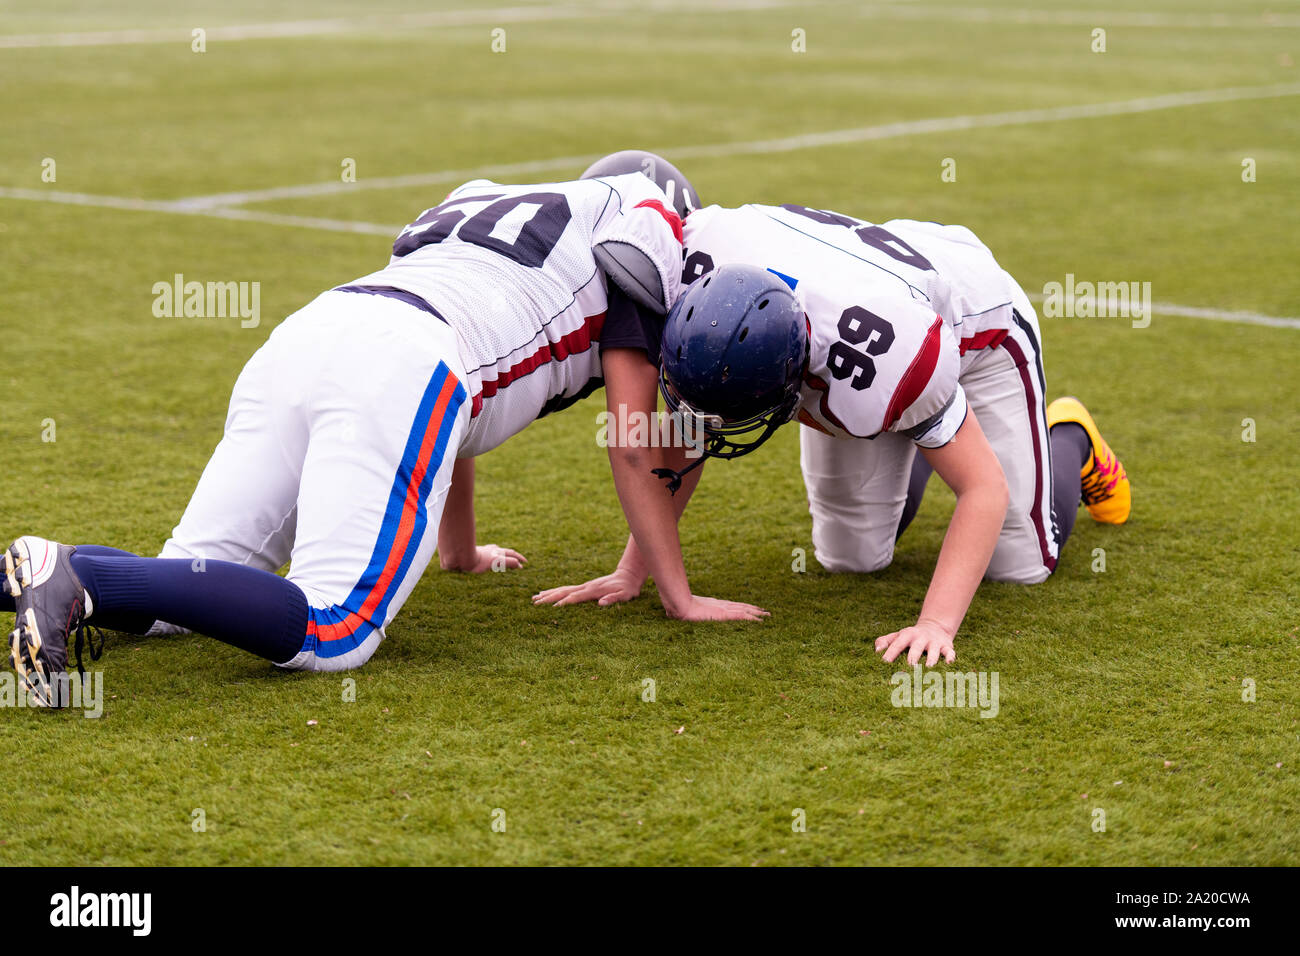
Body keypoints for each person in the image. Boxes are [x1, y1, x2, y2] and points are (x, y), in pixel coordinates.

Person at [4, 152, 765, 709]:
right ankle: (78, 577)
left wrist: (459, 552)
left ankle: (51, 570)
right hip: (409, 363)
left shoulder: (493, 195)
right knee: (336, 631)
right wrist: (677, 594)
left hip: (316, 331)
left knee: (177, 593)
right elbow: (634, 439)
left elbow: (453, 428)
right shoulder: (647, 220)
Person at [536, 201, 1130, 667]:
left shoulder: (886, 362)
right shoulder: (694, 275)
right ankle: (922, 436)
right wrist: (632, 571)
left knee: (1018, 562)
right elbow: (689, 438)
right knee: (851, 559)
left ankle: (1071, 436)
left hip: (977, 321)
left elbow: (983, 491)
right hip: (868, 297)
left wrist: (935, 625)